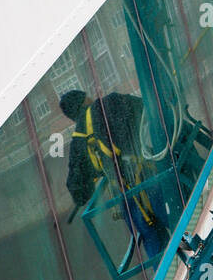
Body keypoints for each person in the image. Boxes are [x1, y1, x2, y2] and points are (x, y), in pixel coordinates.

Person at [60, 89, 169, 260]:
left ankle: (169, 279)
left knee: (154, 244)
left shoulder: (79, 141)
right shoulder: (111, 102)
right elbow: (147, 110)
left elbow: (78, 191)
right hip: (151, 179)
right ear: (85, 100)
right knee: (180, 223)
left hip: (129, 198)